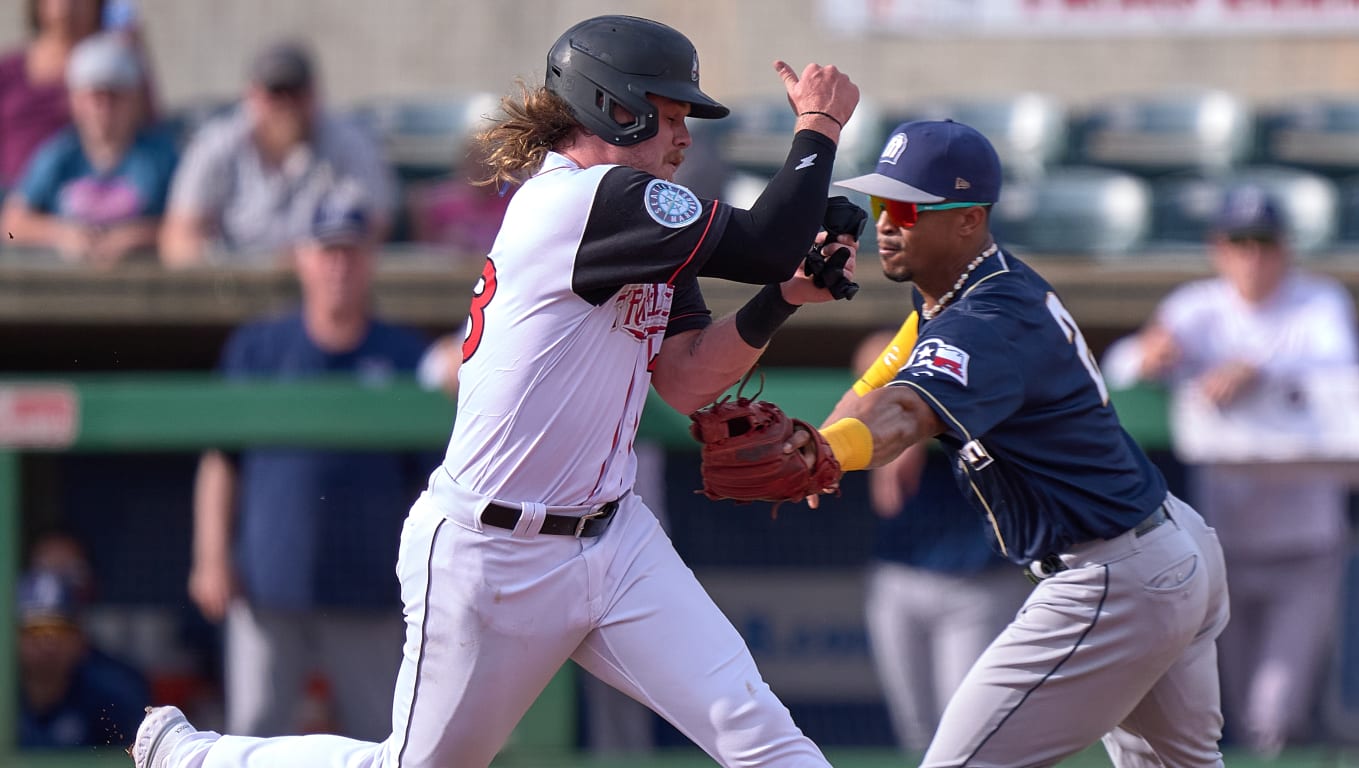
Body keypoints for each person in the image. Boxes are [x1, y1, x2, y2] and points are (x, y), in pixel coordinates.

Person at [134, 14, 859, 768]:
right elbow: (771, 238)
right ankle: (200, 760)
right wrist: (818, 126)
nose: (684, 137)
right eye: (672, 115)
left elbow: (683, 379)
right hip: (492, 553)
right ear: (616, 106)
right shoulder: (589, 200)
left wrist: (784, 297)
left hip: (615, 544)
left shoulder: (632, 219)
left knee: (764, 739)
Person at [782, 118, 1228, 767]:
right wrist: (822, 444)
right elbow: (882, 380)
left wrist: (830, 455)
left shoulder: (988, 319)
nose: (887, 221)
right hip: (1161, 546)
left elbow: (905, 414)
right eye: (882, 203)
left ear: (969, 220)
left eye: (908, 207)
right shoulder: (960, 290)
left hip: (1111, 572)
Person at [1101, 185, 1359, 756]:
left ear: (1285, 247)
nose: (1253, 256)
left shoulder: (1319, 302)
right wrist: (1148, 354)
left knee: (1276, 712)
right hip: (1223, 546)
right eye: (1239, 242)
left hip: (1306, 544)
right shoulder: (1197, 307)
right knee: (1233, 712)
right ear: (1219, 248)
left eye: (1264, 242)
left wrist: (1258, 368)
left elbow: (1342, 368)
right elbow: (1117, 371)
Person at [184, 185, 432, 741]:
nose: (337, 266)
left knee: (382, 739)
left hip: (370, 589)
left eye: (350, 251)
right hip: (269, 586)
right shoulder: (258, 349)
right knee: (252, 736)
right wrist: (210, 557)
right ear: (301, 258)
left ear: (370, 260)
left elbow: (432, 481)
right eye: (326, 251)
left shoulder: (403, 352)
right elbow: (221, 460)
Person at [850, 329, 1030, 756]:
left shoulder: (999, 353)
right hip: (898, 578)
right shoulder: (917, 343)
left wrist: (920, 427)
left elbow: (990, 393)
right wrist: (897, 415)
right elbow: (870, 351)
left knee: (966, 731)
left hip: (980, 582)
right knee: (915, 733)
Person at [158, 40, 396, 267]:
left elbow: (375, 228)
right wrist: (238, 269)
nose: (286, 105)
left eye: (295, 92)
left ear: (314, 93)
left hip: (322, 289)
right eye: (275, 93)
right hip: (233, 295)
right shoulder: (216, 146)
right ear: (251, 95)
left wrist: (310, 263)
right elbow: (179, 241)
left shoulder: (350, 143)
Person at [1, 31, 176, 267]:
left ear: (134, 100)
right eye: (94, 97)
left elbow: (196, 224)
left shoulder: (163, 157)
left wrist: (139, 236)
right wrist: (61, 235)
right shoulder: (58, 155)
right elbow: (12, 225)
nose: (103, 109)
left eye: (115, 97)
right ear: (74, 101)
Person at [18, 567, 150, 749]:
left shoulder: (113, 698)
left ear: (79, 638)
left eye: (60, 630)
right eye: (35, 631)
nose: (48, 643)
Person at [0, 0, 103, 195]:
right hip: (10, 192)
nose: (66, 7)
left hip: (78, 195)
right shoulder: (8, 69)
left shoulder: (115, 69)